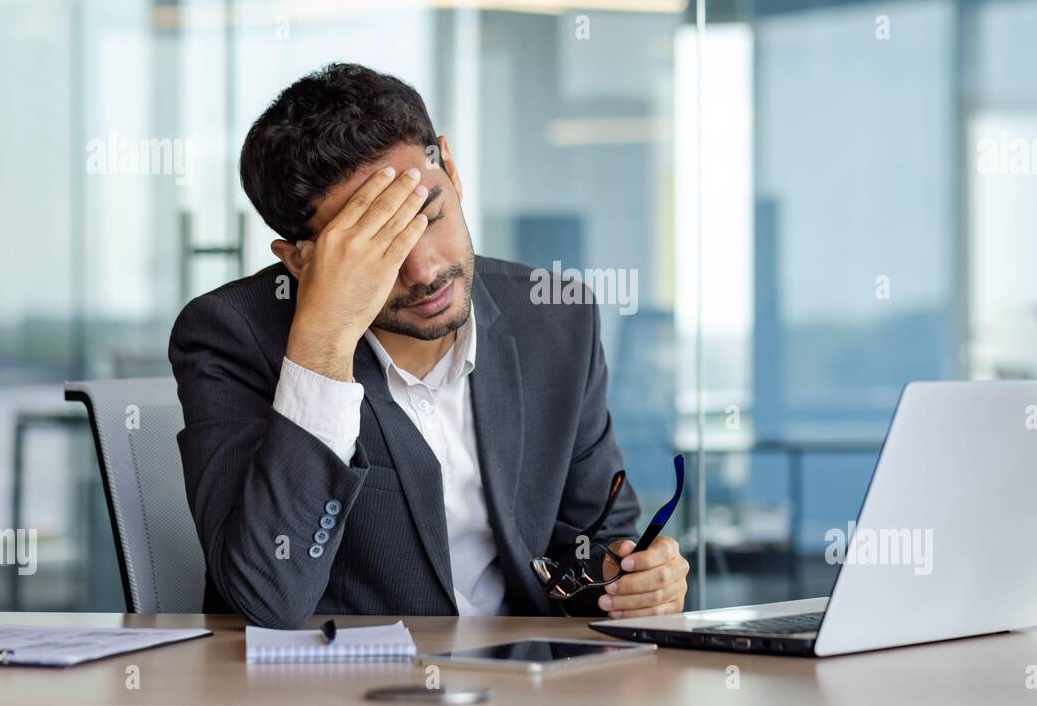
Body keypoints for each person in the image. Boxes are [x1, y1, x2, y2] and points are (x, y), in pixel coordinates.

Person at [169, 63, 689, 628]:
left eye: (430, 215)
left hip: (524, 693)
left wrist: (630, 582)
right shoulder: (229, 336)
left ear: (452, 168)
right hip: (344, 700)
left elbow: (590, 542)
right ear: (299, 261)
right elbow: (266, 600)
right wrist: (323, 343)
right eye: (377, 247)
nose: (424, 269)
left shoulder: (554, 317)